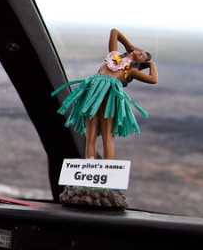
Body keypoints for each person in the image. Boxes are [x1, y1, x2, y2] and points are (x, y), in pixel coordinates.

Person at [52, 28, 158, 159]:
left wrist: (151, 64)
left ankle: (108, 167)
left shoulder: (131, 70)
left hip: (108, 93)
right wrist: (128, 45)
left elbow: (153, 79)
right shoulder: (113, 55)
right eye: (141, 53)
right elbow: (114, 32)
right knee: (90, 136)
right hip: (92, 92)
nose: (140, 56)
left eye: (143, 58)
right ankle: (89, 165)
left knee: (107, 136)